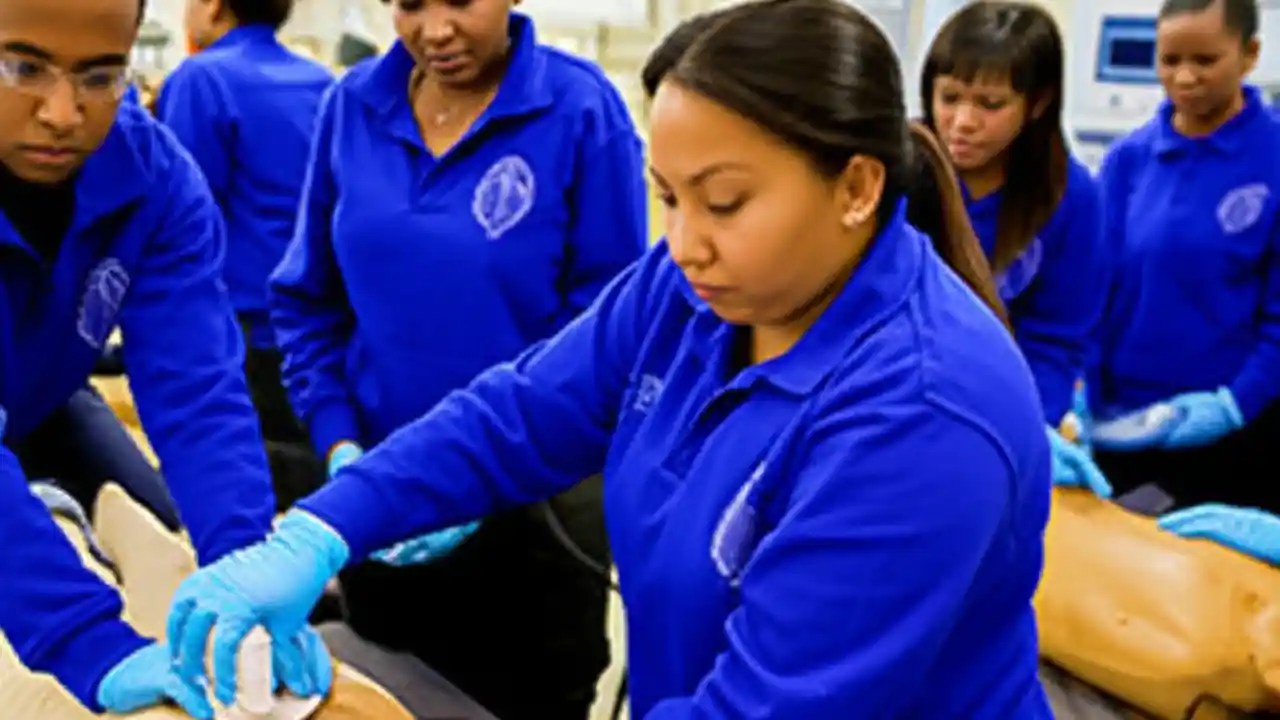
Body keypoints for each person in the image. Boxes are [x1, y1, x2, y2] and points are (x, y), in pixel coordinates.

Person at [166, 0, 1055, 715]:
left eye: (726, 202)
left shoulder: (923, 413)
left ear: (858, 187)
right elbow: (517, 414)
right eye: (669, 198)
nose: (685, 240)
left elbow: (769, 703)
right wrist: (325, 527)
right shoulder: (694, 290)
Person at [264, 0, 647, 717]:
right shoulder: (353, 106)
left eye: (461, 0)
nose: (435, 31)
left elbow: (613, 333)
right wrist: (341, 444)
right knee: (382, 692)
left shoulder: (579, 111)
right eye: (409, 4)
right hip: (386, 510)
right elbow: (308, 300)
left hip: (535, 522)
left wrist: (488, 473)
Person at [0, 0, 329, 717]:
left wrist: (249, 567)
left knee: (169, 538)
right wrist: (88, 644)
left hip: (40, 400)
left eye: (100, 76)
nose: (62, 112)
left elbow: (198, 393)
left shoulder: (151, 180)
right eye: (22, 67)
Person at [1088, 0, 1280, 512]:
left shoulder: (1273, 158)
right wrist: (1082, 384)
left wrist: (1234, 406)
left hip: (1230, 436)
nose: (1185, 77)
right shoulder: (1128, 160)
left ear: (1249, 54)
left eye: (1205, 60)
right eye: (1170, 60)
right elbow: (1094, 287)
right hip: (1121, 427)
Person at [920, 0, 1112, 498]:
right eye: (949, 97)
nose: (962, 121)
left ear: (1038, 103)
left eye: (989, 104)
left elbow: (1055, 339)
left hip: (999, 406)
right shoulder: (900, 170)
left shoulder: (1070, 196)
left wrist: (1025, 432)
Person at [155, 0, 331, 445]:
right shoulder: (322, 82)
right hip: (315, 327)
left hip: (238, 332)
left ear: (212, 7)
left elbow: (180, 218)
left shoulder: (202, 79)